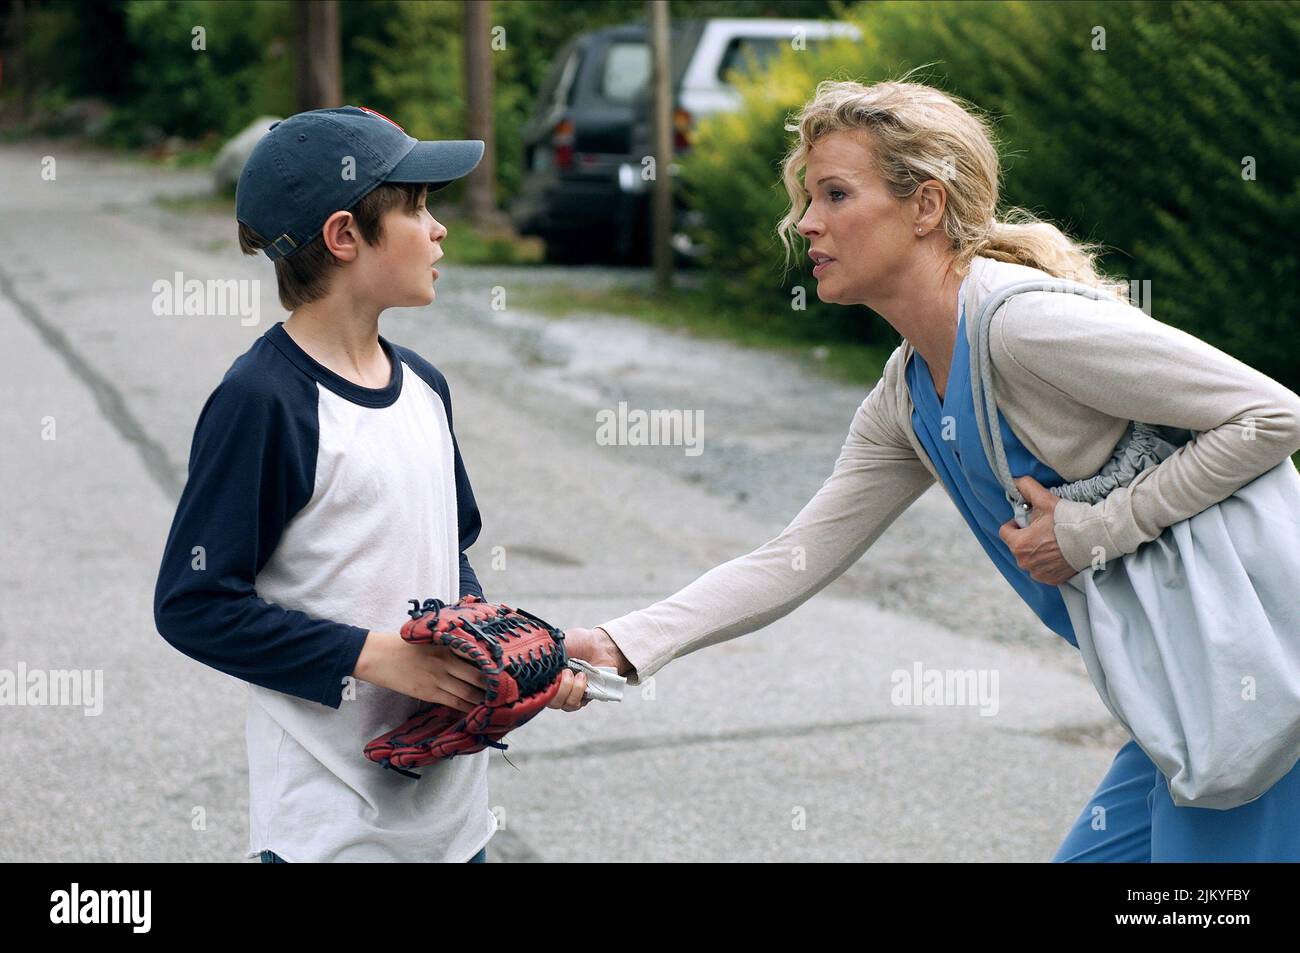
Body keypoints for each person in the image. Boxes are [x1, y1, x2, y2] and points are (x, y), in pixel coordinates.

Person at [564, 79, 1300, 861]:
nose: (806, 223)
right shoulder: (909, 393)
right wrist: (620, 642)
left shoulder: (1024, 326)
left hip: (1258, 703)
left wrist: (1094, 530)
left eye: (835, 194)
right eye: (808, 199)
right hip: (1182, 711)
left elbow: (1272, 413)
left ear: (925, 206)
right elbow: (793, 557)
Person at [152, 106, 587, 864]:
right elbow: (193, 604)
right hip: (329, 827)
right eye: (417, 206)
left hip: (455, 822)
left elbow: (446, 552)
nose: (438, 227)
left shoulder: (424, 386)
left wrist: (507, 655)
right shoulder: (266, 400)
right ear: (346, 235)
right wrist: (375, 655)